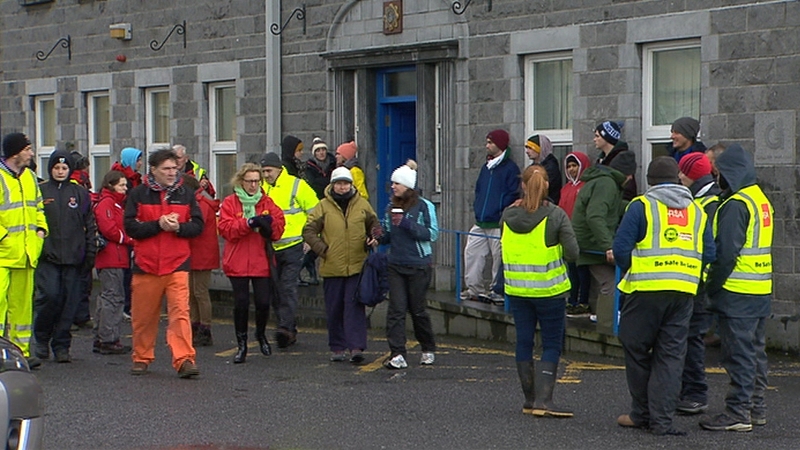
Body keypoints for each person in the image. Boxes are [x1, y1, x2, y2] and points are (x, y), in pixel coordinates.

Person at [613, 156, 715, 436]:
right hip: (683, 292)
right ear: (677, 179)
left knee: (635, 347)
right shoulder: (696, 210)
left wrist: (634, 266)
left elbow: (621, 248)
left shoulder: (642, 206)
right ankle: (662, 421)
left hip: (645, 289)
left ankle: (641, 413)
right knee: (670, 356)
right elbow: (709, 253)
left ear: (650, 181)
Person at [700, 143, 773, 432]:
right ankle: (756, 408)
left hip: (736, 292)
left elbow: (726, 254)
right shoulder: (760, 200)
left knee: (738, 354)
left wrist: (712, 285)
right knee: (755, 353)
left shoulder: (735, 205)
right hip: (759, 290)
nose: (716, 177)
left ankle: (738, 412)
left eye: (718, 172)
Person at [502, 165, 578, 417]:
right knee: (551, 344)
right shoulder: (555, 215)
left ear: (523, 185)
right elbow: (573, 252)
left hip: (517, 290)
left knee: (524, 341)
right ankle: (544, 401)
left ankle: (529, 399)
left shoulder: (508, 215)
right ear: (547, 185)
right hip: (550, 290)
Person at [124, 148, 204, 378]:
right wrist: (158, 224)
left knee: (180, 314)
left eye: (174, 168)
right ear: (153, 170)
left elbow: (198, 226)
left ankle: (184, 359)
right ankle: (141, 357)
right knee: (143, 316)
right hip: (146, 264)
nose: (171, 173)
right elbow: (130, 227)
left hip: (177, 263)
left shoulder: (186, 193)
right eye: (166, 169)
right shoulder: (138, 194)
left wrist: (179, 228)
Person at [303, 166, 379, 364]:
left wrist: (373, 237)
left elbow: (374, 225)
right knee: (335, 308)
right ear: (332, 185)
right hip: (332, 267)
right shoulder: (323, 206)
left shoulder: (362, 204)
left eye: (346, 183)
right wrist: (322, 249)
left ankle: (356, 347)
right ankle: (337, 347)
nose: (342, 187)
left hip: (357, 265)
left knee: (354, 308)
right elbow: (308, 230)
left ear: (351, 185)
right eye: (339, 183)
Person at [33, 150, 97, 363]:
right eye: (56, 168)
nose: (60, 172)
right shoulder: (41, 191)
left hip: (73, 258)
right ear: (50, 169)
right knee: (50, 297)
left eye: (64, 168)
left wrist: (90, 252)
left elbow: (89, 224)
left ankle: (61, 345)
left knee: (69, 303)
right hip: (48, 257)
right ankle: (41, 339)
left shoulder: (79, 193)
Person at [218, 163, 285, 364]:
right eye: (249, 181)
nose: (253, 185)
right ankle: (242, 344)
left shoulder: (267, 202)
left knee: (263, 302)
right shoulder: (230, 203)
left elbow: (279, 227)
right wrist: (248, 223)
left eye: (257, 181)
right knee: (241, 303)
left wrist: (269, 228)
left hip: (260, 260)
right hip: (237, 260)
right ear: (241, 182)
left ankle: (261, 334)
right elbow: (226, 229)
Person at [378, 161, 439, 370]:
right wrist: (378, 236)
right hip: (395, 264)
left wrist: (407, 224)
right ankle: (397, 354)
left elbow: (432, 233)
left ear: (408, 185)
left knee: (418, 310)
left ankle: (428, 348)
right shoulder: (390, 207)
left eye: (397, 183)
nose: (393, 187)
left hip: (419, 265)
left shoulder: (424, 206)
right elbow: (388, 235)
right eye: (392, 183)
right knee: (396, 310)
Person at [675, 153, 721, 415]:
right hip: (693, 280)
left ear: (692, 174)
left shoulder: (708, 203)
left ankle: (695, 394)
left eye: (683, 172)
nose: (679, 177)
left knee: (692, 339)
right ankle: (688, 391)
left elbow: (710, 249)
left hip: (699, 283)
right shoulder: (701, 199)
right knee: (688, 338)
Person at [571, 150, 635, 335]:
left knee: (612, 281)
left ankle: (607, 318)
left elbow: (610, 207)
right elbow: (595, 216)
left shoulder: (602, 181)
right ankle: (608, 327)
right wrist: (608, 245)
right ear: (627, 174)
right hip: (592, 244)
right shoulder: (607, 184)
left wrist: (636, 206)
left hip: (587, 241)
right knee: (611, 283)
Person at [260, 152, 319, 348]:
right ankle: (288, 328)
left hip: (294, 246)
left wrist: (312, 239)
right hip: (271, 246)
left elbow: (316, 212)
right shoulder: (262, 188)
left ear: (279, 169)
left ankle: (285, 329)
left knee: (287, 287)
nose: (266, 175)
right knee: (276, 290)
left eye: (269, 171)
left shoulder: (296, 185)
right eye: (263, 171)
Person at [0, 133, 47, 367]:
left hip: (27, 253)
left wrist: (41, 231)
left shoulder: (29, 177)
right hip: (3, 255)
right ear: (15, 153)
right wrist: (4, 238)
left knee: (22, 309)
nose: (31, 153)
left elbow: (38, 207)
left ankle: (21, 353)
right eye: (27, 149)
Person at [461, 129, 520, 304]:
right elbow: (479, 190)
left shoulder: (510, 168)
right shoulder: (486, 168)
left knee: (498, 258)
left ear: (500, 144)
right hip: (481, 220)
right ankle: (474, 288)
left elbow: (512, 193)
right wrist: (478, 207)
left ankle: (496, 290)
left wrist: (500, 210)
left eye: (490, 142)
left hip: (497, 222)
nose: (487, 146)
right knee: (472, 253)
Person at [92, 170, 134, 355]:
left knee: (107, 297)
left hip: (113, 256)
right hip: (112, 257)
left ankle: (101, 336)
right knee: (113, 297)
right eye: (121, 185)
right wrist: (128, 239)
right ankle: (108, 339)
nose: (125, 188)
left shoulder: (112, 203)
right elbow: (109, 229)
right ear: (111, 185)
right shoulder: (108, 203)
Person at [182, 175, 221, 347]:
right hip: (195, 252)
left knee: (200, 292)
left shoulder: (201, 204)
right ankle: (196, 325)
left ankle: (205, 328)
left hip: (202, 253)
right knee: (192, 292)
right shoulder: (197, 202)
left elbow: (196, 227)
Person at [559, 151, 592, 317]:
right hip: (567, 235)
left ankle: (583, 301)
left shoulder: (586, 187)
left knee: (582, 270)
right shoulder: (565, 188)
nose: (571, 169)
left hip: (581, 235)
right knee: (571, 270)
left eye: (575, 165)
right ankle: (572, 300)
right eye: (569, 166)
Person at [302, 137, 336, 285]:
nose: (321, 153)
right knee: (316, 237)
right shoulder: (309, 167)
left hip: (332, 205)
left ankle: (311, 267)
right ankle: (306, 266)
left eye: (323, 150)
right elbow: (313, 184)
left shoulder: (333, 164)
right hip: (315, 205)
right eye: (318, 151)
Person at [68, 150, 95, 331]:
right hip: (78, 238)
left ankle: (78, 316)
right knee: (79, 282)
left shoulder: (79, 184)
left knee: (79, 282)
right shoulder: (78, 185)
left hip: (78, 238)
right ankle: (78, 316)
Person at [594, 120, 638, 201]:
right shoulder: (601, 160)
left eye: (597, 136)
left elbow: (628, 190)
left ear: (606, 138)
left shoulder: (622, 160)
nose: (594, 139)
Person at [525, 134, 561, 204]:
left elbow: (539, 189)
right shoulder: (533, 166)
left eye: (530, 148)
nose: (527, 151)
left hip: (547, 206)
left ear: (540, 149)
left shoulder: (551, 168)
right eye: (527, 148)